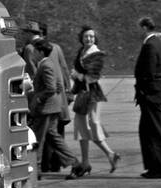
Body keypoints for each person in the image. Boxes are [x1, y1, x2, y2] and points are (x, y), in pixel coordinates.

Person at [30, 37, 82, 178]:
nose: (32, 53)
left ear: (40, 52)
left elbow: (51, 88)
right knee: (53, 138)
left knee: (37, 139)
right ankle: (75, 163)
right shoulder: (50, 64)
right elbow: (58, 85)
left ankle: (36, 169)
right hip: (53, 107)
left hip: (45, 108)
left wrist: (39, 97)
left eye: (35, 51)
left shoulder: (45, 66)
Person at [71, 25, 120, 174]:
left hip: (92, 93)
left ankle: (110, 154)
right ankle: (86, 162)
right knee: (80, 125)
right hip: (81, 92)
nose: (89, 39)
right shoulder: (81, 51)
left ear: (95, 38)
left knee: (93, 123)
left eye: (91, 36)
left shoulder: (97, 54)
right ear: (82, 38)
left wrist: (77, 76)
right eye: (86, 36)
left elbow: (93, 77)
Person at [133, 17, 161, 178]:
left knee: (154, 132)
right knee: (148, 130)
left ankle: (159, 168)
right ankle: (154, 166)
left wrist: (142, 91)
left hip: (151, 94)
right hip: (159, 90)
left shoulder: (149, 45)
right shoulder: (160, 43)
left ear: (144, 28)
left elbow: (147, 72)